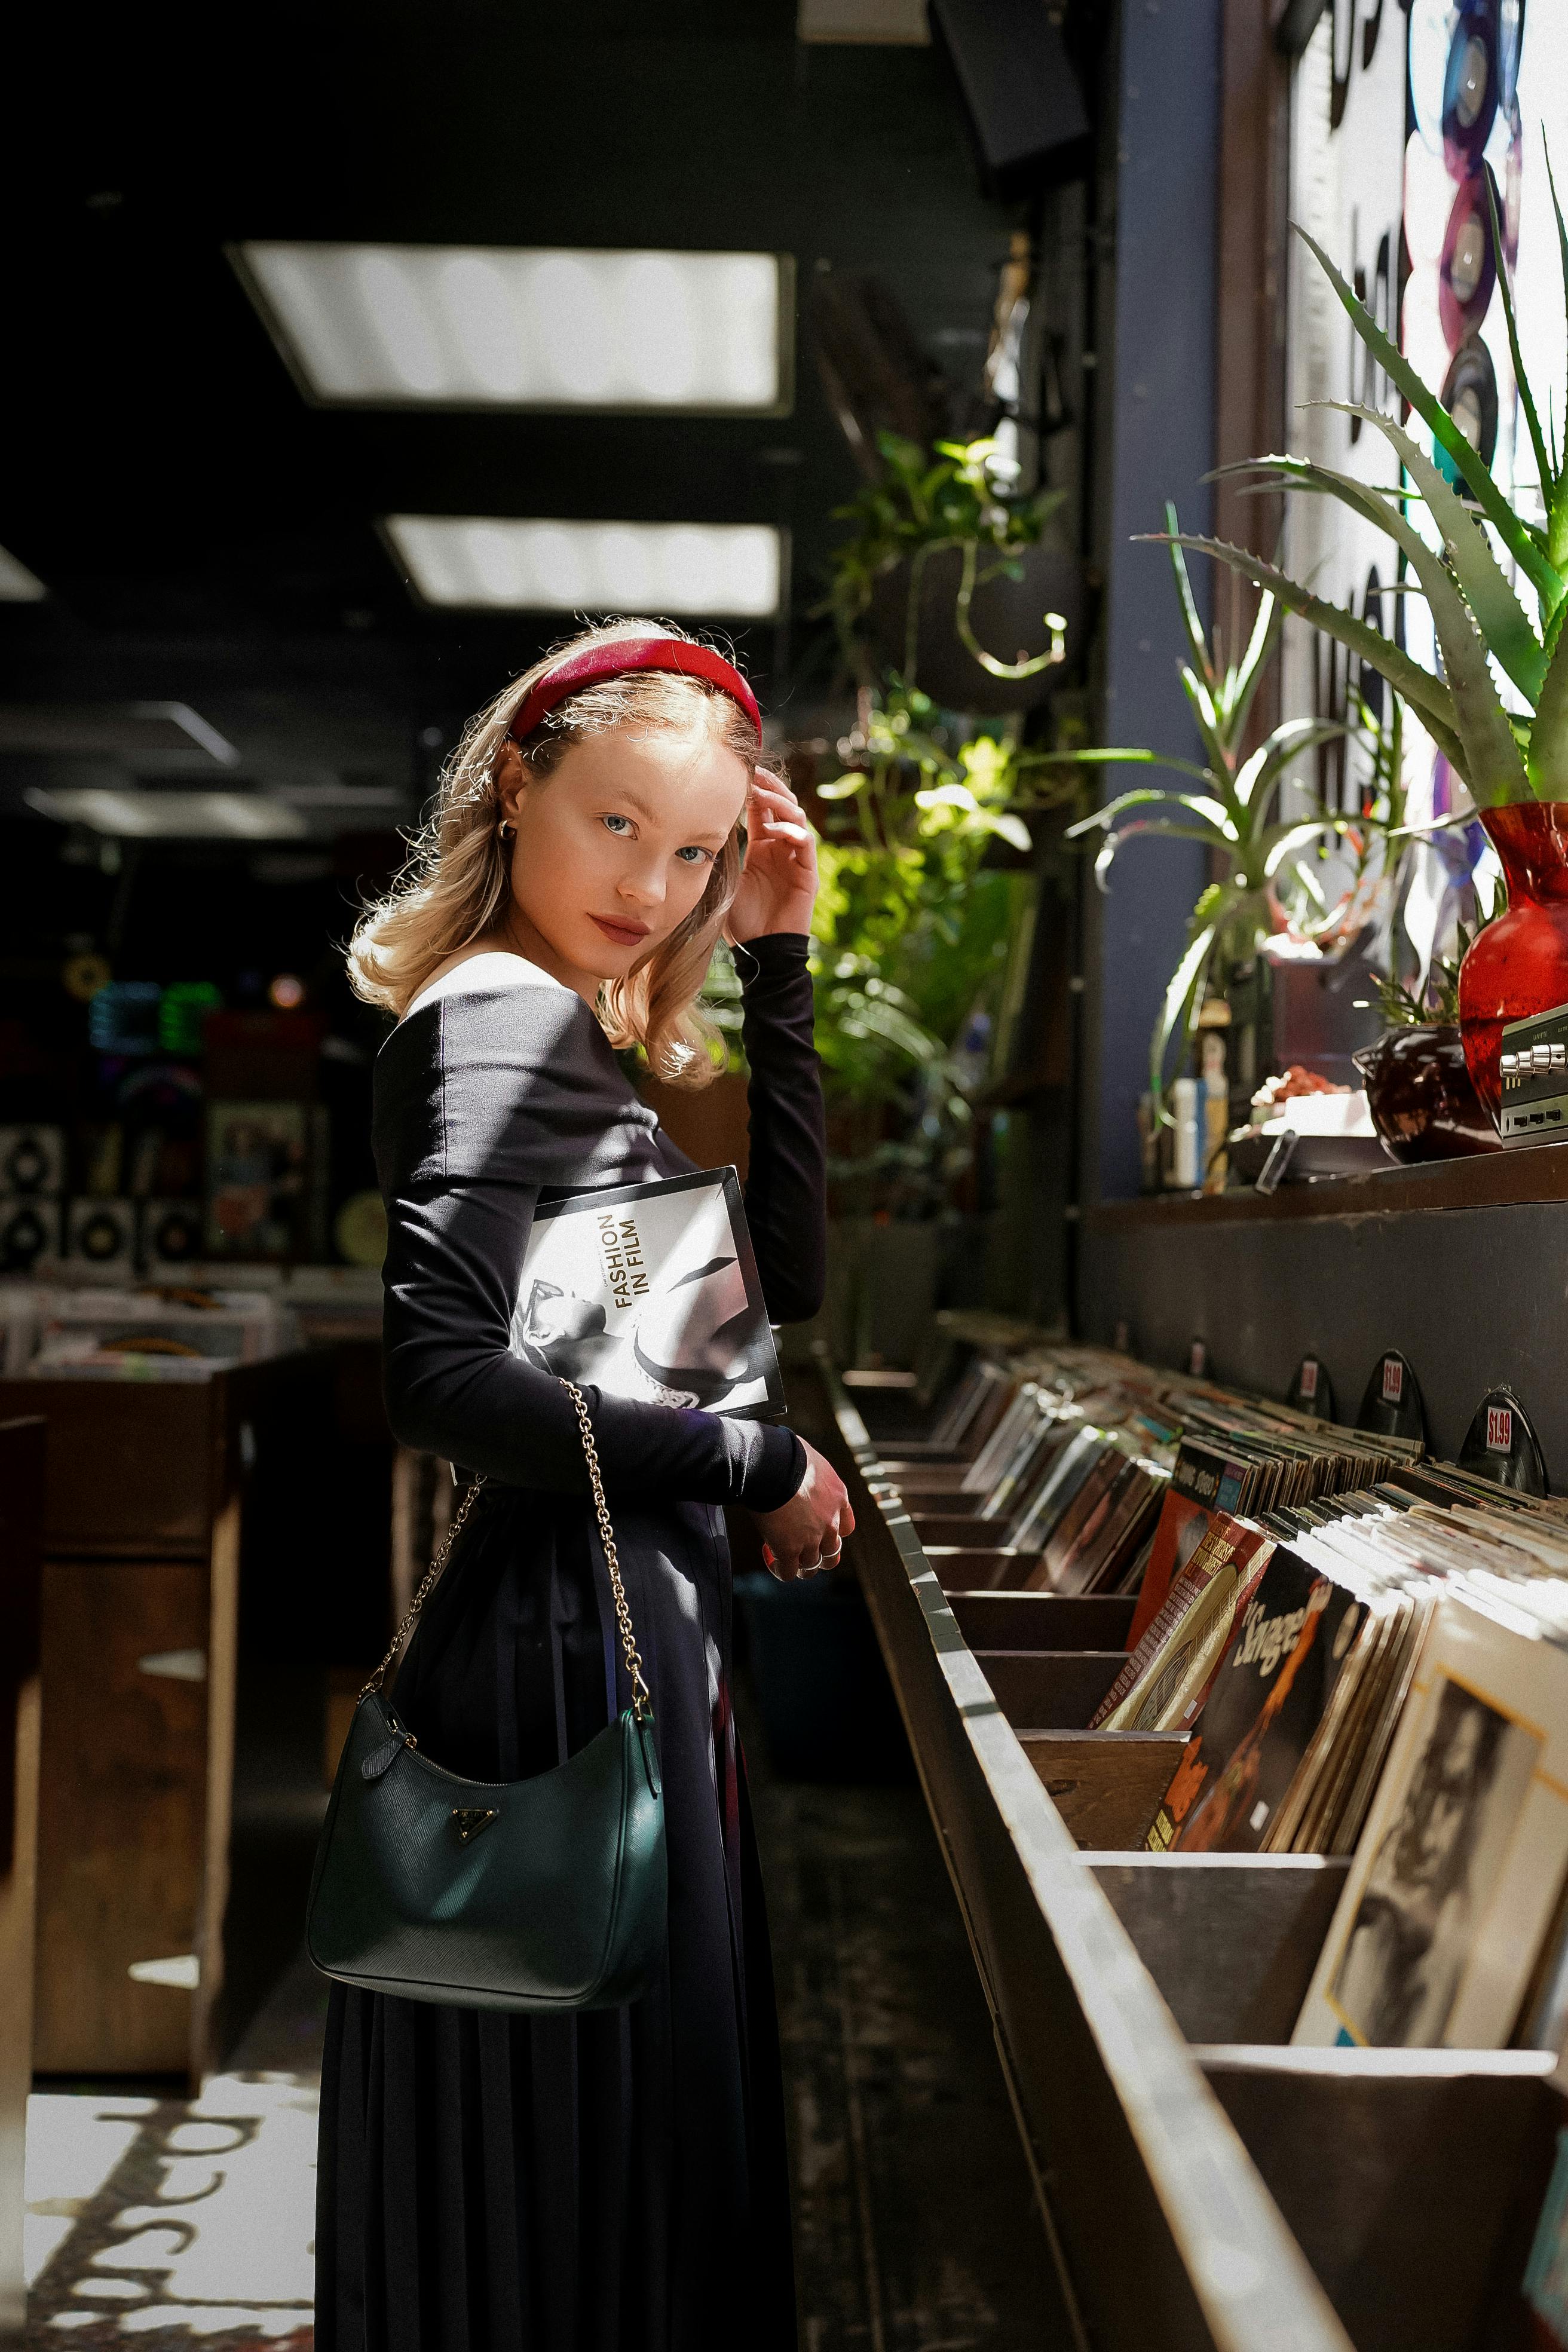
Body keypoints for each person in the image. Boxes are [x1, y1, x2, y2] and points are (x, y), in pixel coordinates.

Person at [318, 620, 853, 2350]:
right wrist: (754, 1458)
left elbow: (773, 1284)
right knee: (603, 2159)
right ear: (514, 787)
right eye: (616, 824)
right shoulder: (498, 1020)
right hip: (565, 1642)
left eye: (692, 850)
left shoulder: (549, 1021)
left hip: (597, 1622)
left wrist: (779, 961)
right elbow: (442, 1381)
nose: (651, 885)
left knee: (608, 2149)